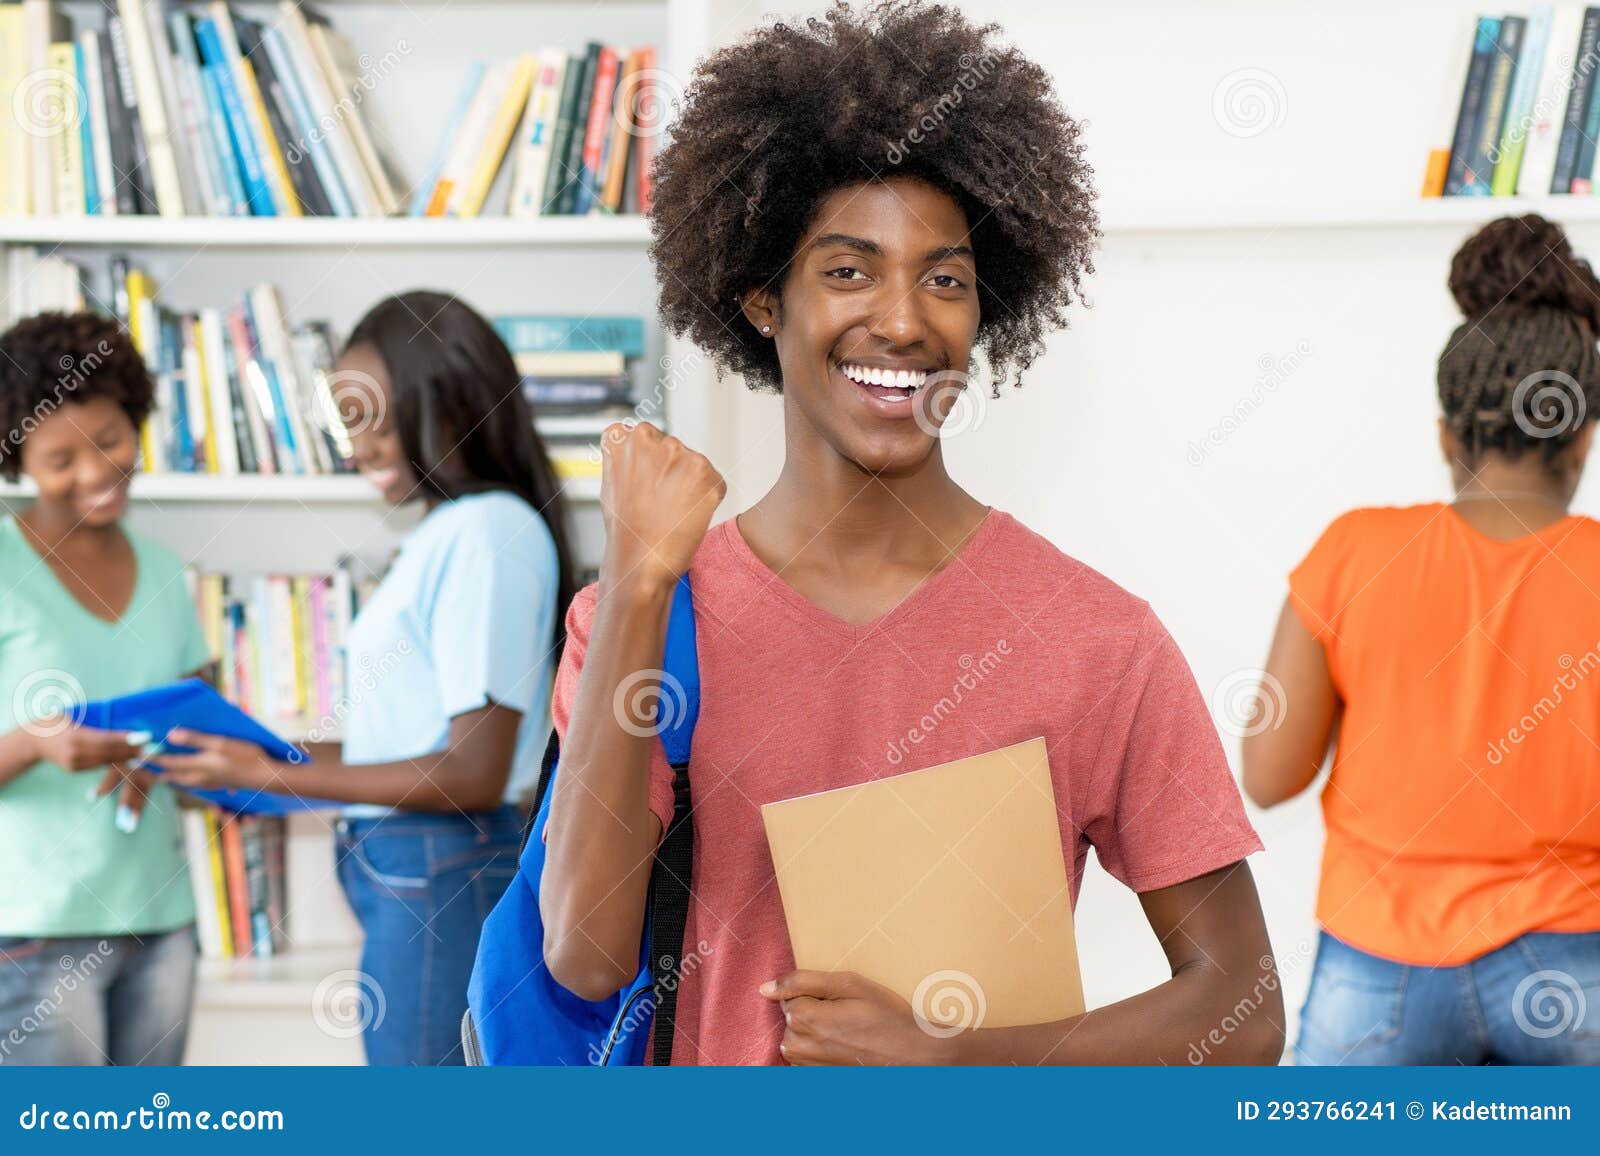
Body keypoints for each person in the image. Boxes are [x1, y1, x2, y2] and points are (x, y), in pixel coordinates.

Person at [537, 0, 1280, 1066]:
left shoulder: (1095, 641)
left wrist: (956, 1060)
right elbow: (583, 951)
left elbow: (1243, 1009)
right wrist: (643, 582)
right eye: (847, 269)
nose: (902, 320)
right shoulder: (645, 614)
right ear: (760, 298)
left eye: (945, 278)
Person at [159, 291, 579, 1066]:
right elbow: (406, 741)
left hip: (439, 868)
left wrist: (268, 775)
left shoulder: (487, 531)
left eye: (372, 420)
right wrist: (254, 762)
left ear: (446, 399)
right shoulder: (453, 532)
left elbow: (474, 772)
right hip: (417, 870)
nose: (356, 450)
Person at [1243, 214, 1600, 1065]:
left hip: (1380, 962)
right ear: (1583, 436)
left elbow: (1268, 775)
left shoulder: (1353, 551)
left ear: (1447, 435)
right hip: (1575, 965)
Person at [0, 311, 210, 1065]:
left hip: (160, 915)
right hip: (33, 925)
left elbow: (196, 719)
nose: (95, 474)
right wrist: (32, 743)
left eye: (112, 443)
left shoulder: (163, 570)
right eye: (61, 459)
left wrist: (160, 754)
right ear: (18, 458)